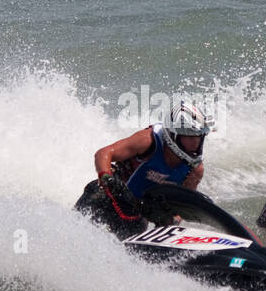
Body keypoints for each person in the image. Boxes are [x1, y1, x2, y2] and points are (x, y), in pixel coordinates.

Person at [74, 100, 212, 235]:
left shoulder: (195, 170)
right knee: (96, 191)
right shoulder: (148, 141)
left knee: (138, 230)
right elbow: (103, 153)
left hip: (135, 216)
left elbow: (183, 206)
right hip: (109, 199)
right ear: (173, 135)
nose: (195, 142)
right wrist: (106, 178)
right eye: (190, 137)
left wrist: (170, 219)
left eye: (199, 137)